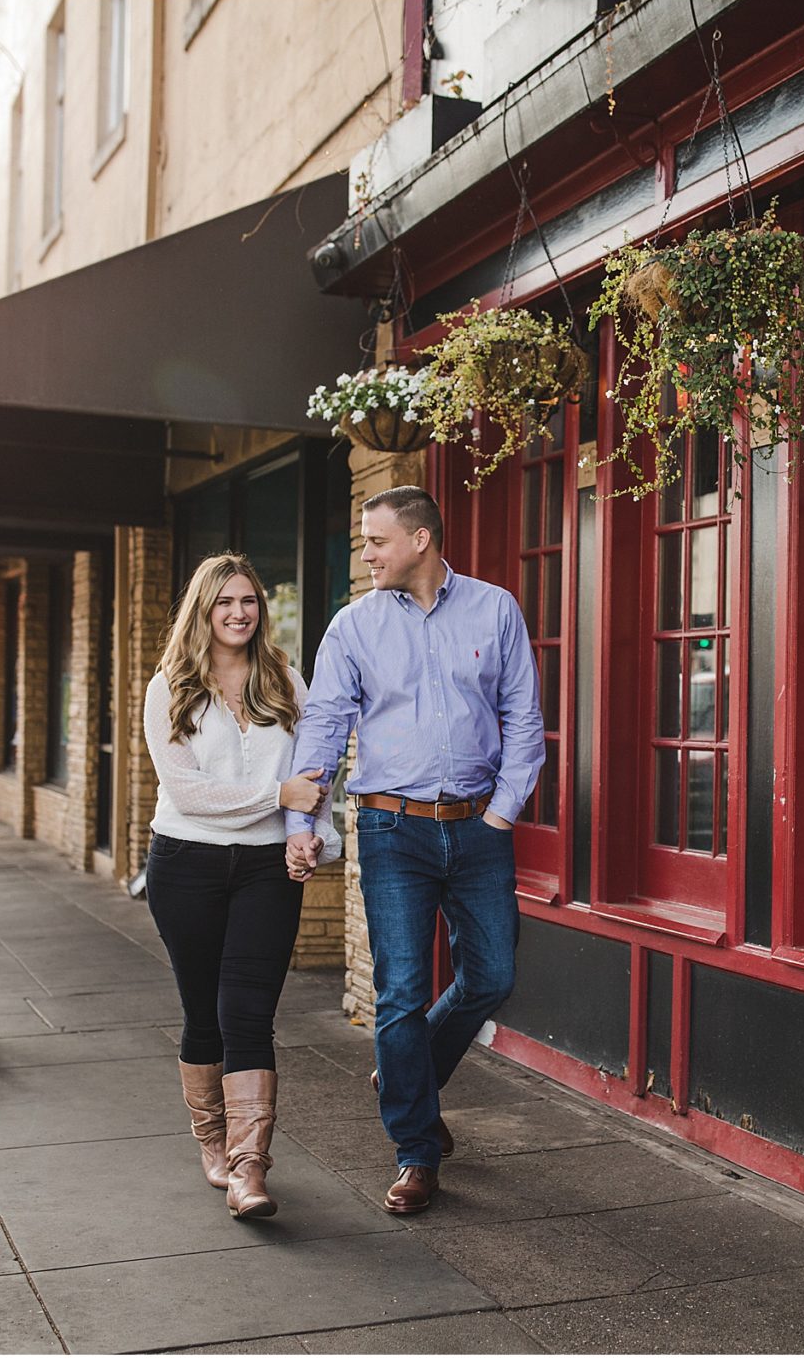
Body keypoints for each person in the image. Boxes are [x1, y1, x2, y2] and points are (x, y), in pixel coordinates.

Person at [285, 486, 543, 1216]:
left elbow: (523, 716)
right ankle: (416, 1148)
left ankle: (408, 1071)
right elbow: (326, 726)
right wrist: (301, 823)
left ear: (421, 540)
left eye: (377, 540)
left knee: (491, 973)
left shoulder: (493, 610)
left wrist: (500, 816)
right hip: (393, 827)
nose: (366, 553)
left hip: (476, 825)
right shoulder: (352, 626)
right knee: (400, 989)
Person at [145, 554, 340, 1220]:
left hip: (264, 868)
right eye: (225, 601)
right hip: (185, 863)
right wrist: (275, 793)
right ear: (203, 609)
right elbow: (187, 791)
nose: (239, 612)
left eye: (249, 601)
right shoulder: (169, 685)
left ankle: (250, 1166)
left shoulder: (285, 679)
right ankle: (214, 1146)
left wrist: (306, 832)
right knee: (204, 1012)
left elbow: (315, 770)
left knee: (248, 1014)